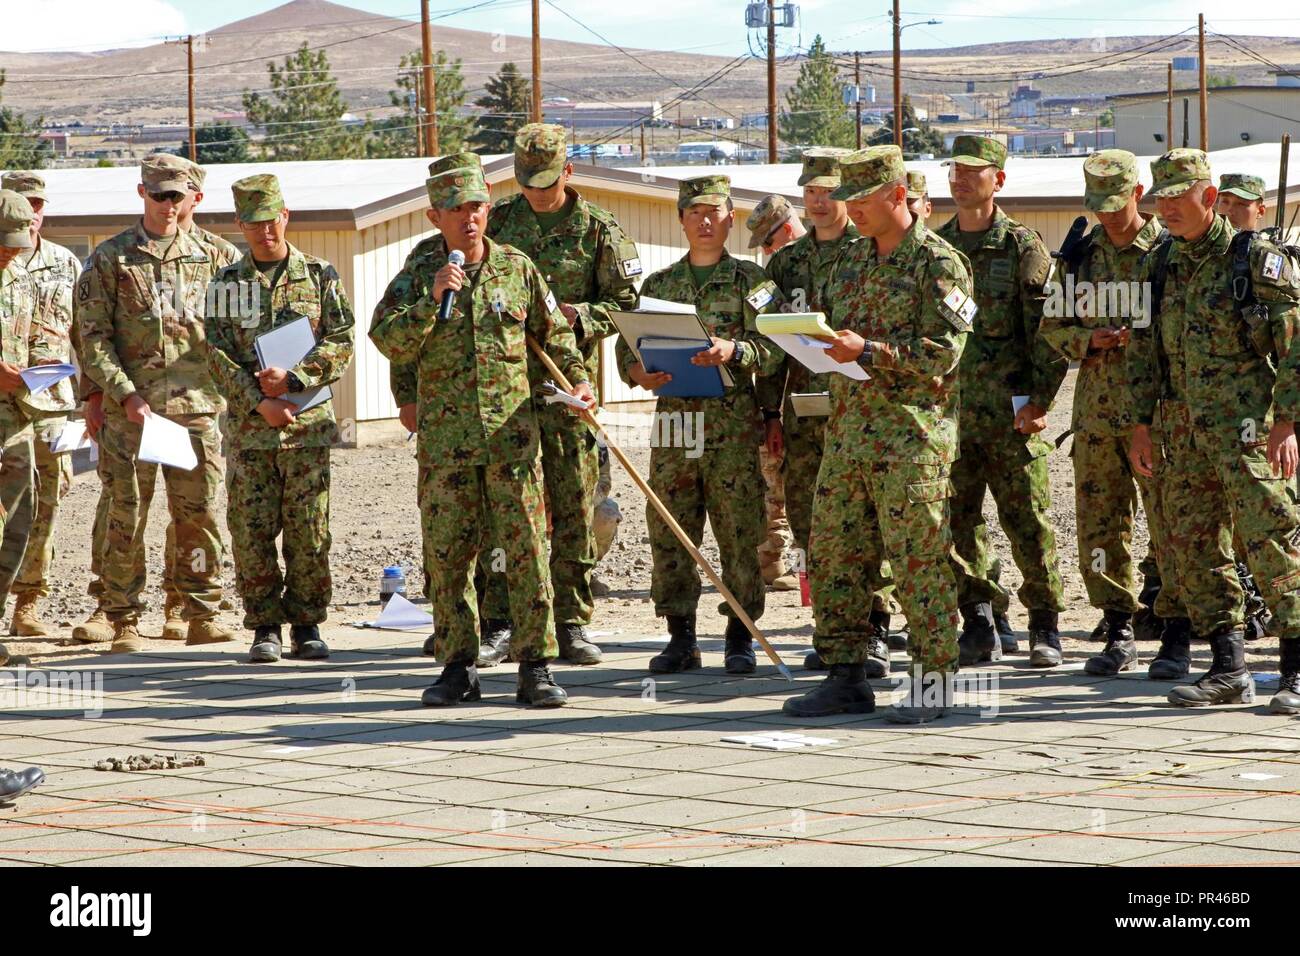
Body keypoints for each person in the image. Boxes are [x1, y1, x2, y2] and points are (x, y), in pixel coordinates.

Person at [370, 162, 593, 708]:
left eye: (475, 207)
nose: (468, 219)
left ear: (488, 207)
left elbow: (554, 337)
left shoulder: (517, 267)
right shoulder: (421, 270)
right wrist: (431, 301)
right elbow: (387, 339)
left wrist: (580, 381)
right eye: (455, 210)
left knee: (527, 553)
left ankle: (535, 667)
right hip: (447, 445)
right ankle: (458, 667)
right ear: (434, 216)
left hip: (510, 441)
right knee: (448, 558)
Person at [782, 145, 973, 723]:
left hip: (911, 441)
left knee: (918, 562)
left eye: (863, 199)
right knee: (835, 557)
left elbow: (944, 353)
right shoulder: (848, 261)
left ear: (898, 195)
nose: (854, 210)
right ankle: (845, 675)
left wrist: (870, 350)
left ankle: (933, 681)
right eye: (850, 200)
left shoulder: (940, 264)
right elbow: (832, 334)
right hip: (848, 436)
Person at [1129, 148, 1300, 714]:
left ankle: (1296, 669)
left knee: (1273, 541)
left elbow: (1295, 346)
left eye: (1178, 199)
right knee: (1196, 548)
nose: (1166, 209)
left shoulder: (1254, 259)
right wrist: (1141, 426)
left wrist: (1286, 422)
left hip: (1250, 433)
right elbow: (1144, 351)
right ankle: (1229, 668)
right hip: (1183, 434)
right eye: (1161, 200)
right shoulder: (1159, 263)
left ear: (1208, 197)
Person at [473, 124, 640, 667]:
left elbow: (626, 303)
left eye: (546, 182)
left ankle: (569, 622)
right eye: (527, 183)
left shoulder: (599, 230)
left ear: (568, 172)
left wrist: (576, 316)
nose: (538, 193)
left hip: (570, 387)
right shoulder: (500, 222)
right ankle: (500, 621)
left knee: (575, 504)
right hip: (504, 390)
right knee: (505, 509)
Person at [616, 174, 784, 675]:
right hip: (676, 425)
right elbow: (628, 349)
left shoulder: (753, 283)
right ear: (681, 220)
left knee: (739, 531)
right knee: (671, 529)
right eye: (695, 213)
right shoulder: (658, 285)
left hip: (732, 426)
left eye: (714, 213)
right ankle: (681, 637)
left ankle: (740, 636)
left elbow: (777, 349)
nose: (705, 222)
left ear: (731, 219)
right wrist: (637, 373)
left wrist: (737, 350)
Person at [74, 154, 238, 654]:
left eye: (176, 196)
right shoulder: (112, 257)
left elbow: (237, 333)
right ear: (141, 193)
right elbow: (92, 338)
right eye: (158, 194)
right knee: (125, 513)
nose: (167, 204)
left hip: (195, 409)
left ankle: (198, 611)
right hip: (133, 413)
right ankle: (121, 616)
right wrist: (123, 393)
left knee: (197, 514)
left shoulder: (218, 257)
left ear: (190, 198)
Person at [1040, 149, 1182, 674]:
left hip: (1158, 416)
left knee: (1170, 523)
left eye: (1115, 203)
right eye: (1097, 204)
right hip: (1097, 415)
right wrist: (1086, 341)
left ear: (1138, 195)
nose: (1106, 214)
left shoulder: (1168, 252)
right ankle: (1117, 627)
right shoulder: (1080, 257)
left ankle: (1175, 626)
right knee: (1100, 525)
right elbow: (1051, 327)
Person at [205, 174, 354, 662]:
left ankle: (307, 624)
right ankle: (264, 626)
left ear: (286, 216)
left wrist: (294, 380)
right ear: (239, 224)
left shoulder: (319, 275)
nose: (265, 231)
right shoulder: (226, 284)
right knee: (251, 531)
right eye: (254, 223)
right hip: (252, 431)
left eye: (272, 220)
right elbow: (215, 353)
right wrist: (259, 401)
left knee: (309, 530)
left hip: (305, 426)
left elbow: (342, 339)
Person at [935, 135, 1068, 667]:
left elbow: (1047, 331)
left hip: (1011, 413)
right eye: (956, 170)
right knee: (958, 522)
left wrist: (1040, 402)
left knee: (1028, 522)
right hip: (951, 417)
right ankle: (980, 619)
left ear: (999, 180)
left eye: (975, 171)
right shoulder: (938, 248)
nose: (962, 179)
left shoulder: (1020, 246)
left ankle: (1045, 625)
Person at [0, 173, 79, 640]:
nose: (13, 251)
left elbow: (71, 332)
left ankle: (22, 603)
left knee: (31, 510)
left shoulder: (38, 271)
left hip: (36, 410)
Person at [0, 190, 59, 668]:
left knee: (19, 523)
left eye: (17, 244)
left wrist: (43, 365)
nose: (10, 252)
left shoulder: (21, 276)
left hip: (17, 419)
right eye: (4, 243)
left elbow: (35, 333)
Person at [745, 193, 801, 593]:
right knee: (773, 482)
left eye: (768, 240)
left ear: (788, 226)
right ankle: (773, 560)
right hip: (781, 391)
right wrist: (770, 410)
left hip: (822, 391)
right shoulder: (776, 271)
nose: (766, 250)